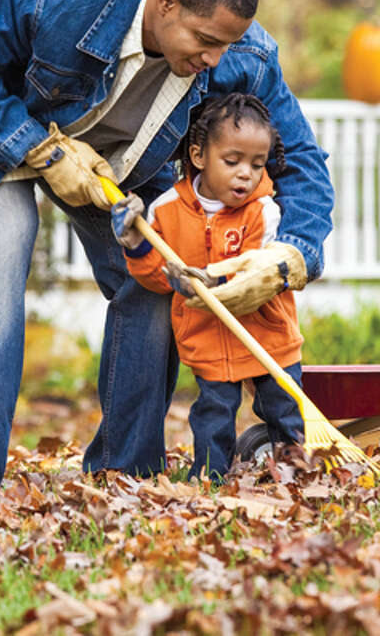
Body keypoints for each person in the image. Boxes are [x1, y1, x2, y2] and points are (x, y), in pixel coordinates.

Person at [0, 0, 334, 485]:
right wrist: (37, 147)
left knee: (161, 277)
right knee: (2, 247)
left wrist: (289, 258)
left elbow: (300, 157)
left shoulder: (245, 55)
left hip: (122, 160)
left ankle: (123, 472)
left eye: (225, 46)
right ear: (166, 1)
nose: (214, 60)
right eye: (205, 40)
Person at [109, 93, 305, 480]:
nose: (245, 173)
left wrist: (209, 278)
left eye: (257, 164)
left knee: (284, 409)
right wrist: (135, 243)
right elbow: (154, 277)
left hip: (267, 336)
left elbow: (250, 271)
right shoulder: (165, 210)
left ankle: (297, 471)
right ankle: (210, 477)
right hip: (208, 340)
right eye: (232, 161)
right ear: (198, 156)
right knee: (213, 415)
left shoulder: (263, 210)